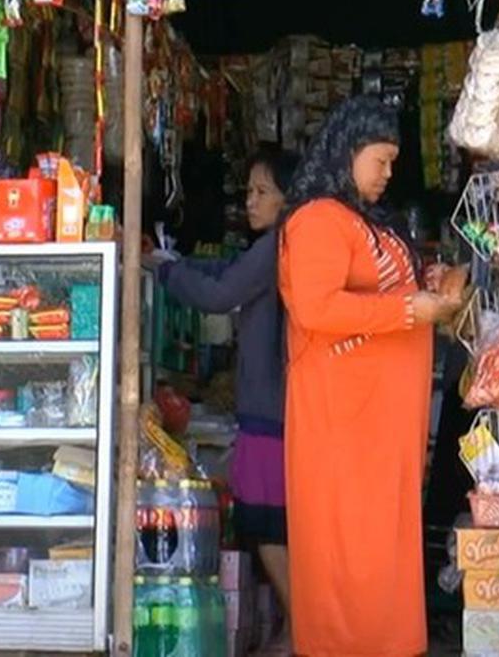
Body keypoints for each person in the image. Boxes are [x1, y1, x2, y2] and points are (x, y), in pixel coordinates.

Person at [278, 96, 460, 655]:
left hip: (378, 431)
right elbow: (317, 307)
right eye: (380, 159)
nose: (387, 173)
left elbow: (382, 289)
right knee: (346, 555)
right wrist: (410, 309)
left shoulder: (363, 220)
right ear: (348, 151)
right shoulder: (317, 220)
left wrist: (429, 283)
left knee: (380, 551)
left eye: (391, 162)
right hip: (342, 429)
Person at [155, 145, 299, 652]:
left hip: (270, 409)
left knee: (266, 524)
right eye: (248, 191)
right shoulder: (276, 246)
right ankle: (295, 628)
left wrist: (167, 274)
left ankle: (301, 630)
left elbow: (221, 294)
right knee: (274, 525)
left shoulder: (280, 244)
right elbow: (227, 271)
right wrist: (173, 262)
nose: (250, 201)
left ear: (288, 199)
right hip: (274, 406)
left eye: (262, 191)